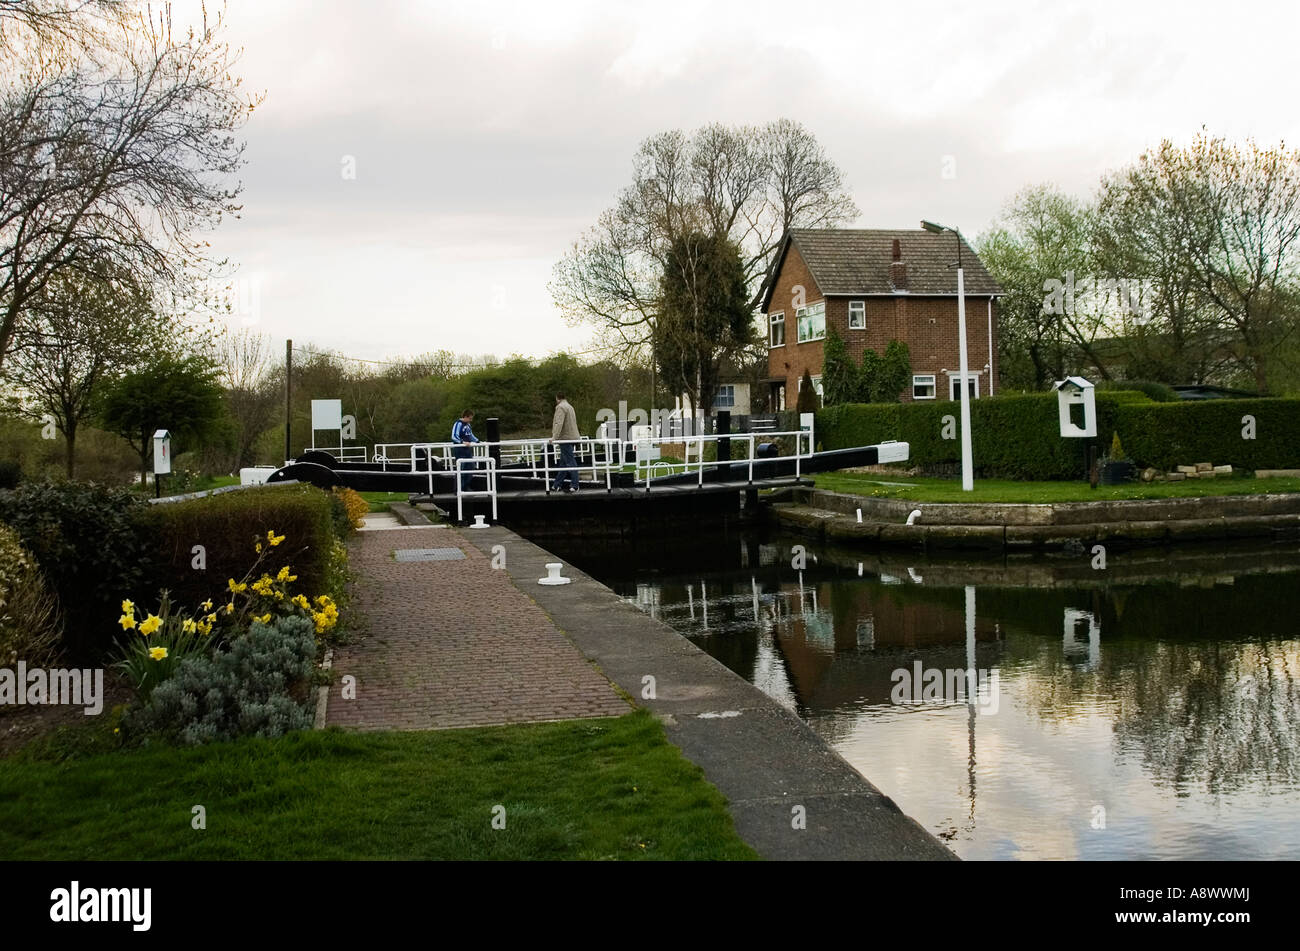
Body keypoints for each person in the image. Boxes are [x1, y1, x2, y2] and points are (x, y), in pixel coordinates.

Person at [550, 393, 580, 492]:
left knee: (570, 462)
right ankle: (557, 484)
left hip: (565, 438)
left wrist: (554, 437)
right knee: (563, 463)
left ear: (557, 398)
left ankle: (575, 485)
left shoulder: (560, 407)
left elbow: (559, 423)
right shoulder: (570, 407)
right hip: (572, 437)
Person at [451, 410, 479, 491]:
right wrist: (462, 442)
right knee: (461, 469)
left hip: (467, 449)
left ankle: (465, 487)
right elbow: (454, 436)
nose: (471, 420)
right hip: (460, 450)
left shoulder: (468, 425)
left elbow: (470, 435)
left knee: (470, 467)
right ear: (465, 417)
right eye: (470, 418)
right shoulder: (458, 424)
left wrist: (477, 441)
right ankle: (458, 489)